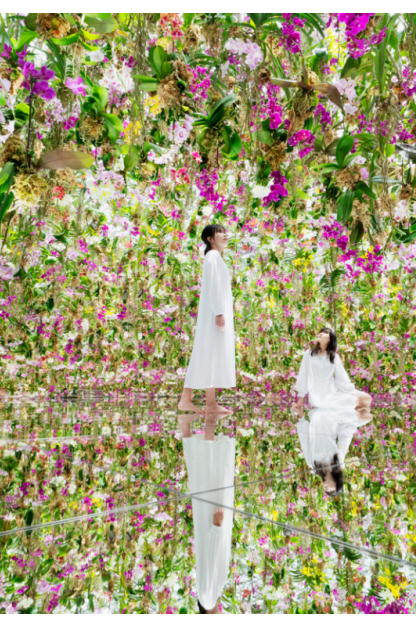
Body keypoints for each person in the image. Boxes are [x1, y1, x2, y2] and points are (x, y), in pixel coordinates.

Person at [292, 328, 373, 496]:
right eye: (331, 489)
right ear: (336, 482)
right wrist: (300, 399)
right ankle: (353, 406)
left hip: (333, 394)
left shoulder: (313, 465)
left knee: (365, 400)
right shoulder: (308, 355)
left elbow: (342, 378)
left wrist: (350, 392)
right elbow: (303, 376)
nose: (320, 333)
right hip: (318, 398)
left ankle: (354, 403)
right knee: (362, 404)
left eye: (325, 333)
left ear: (330, 339)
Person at [180, 224, 236, 414]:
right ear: (210, 238)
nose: (225, 234)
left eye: (224, 231)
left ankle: (209, 402)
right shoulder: (212, 256)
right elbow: (213, 285)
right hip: (214, 313)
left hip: (215, 312)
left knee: (210, 353)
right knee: (207, 352)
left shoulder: (216, 258)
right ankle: (188, 399)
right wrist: (219, 311)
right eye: (220, 232)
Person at [181, 414, 235, 614]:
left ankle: (209, 421)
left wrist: (215, 528)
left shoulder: (208, 599)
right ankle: (187, 427)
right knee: (205, 479)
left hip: (214, 526)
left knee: (212, 477)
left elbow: (211, 561)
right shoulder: (209, 597)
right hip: (214, 528)